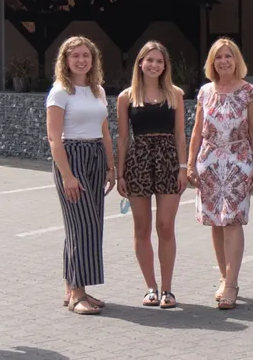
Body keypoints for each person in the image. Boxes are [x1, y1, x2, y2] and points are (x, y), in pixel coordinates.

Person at [187, 37, 253, 310]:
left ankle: (232, 283)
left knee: (232, 221)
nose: (224, 61)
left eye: (228, 56)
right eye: (218, 57)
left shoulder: (248, 91)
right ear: (212, 62)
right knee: (216, 223)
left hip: (237, 161)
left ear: (237, 60)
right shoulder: (205, 92)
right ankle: (223, 276)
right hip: (208, 162)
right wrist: (189, 162)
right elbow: (197, 131)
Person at [45, 35, 116, 316]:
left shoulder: (97, 90)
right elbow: (53, 138)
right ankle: (78, 294)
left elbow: (106, 131)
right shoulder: (60, 91)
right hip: (72, 157)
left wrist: (111, 166)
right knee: (82, 226)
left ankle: (73, 288)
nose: (81, 60)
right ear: (65, 60)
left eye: (86, 55)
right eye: (75, 55)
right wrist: (67, 176)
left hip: (95, 156)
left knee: (87, 225)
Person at [116, 40, 189, 309]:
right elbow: (123, 138)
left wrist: (184, 168)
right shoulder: (126, 97)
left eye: (159, 61)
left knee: (165, 226)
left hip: (169, 159)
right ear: (140, 63)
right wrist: (120, 174)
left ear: (165, 65)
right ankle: (151, 287)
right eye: (150, 60)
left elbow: (181, 134)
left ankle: (168, 289)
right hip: (139, 159)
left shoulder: (175, 94)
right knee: (142, 228)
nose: (154, 65)